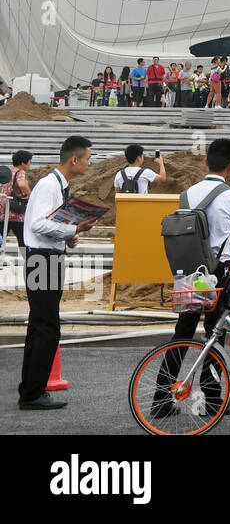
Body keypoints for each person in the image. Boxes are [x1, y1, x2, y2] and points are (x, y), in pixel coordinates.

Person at [151, 139, 230, 417]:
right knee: (215, 335)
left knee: (182, 333)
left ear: (206, 162)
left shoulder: (187, 194)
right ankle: (212, 401)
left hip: (191, 272)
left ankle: (160, 398)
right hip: (218, 273)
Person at [18, 136, 98, 410]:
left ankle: (30, 388)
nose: (89, 162)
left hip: (47, 257)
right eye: (87, 158)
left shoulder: (57, 185)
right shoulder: (49, 185)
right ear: (74, 159)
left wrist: (67, 237)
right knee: (47, 327)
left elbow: (48, 225)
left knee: (41, 324)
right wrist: (74, 230)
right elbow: (39, 225)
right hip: (42, 260)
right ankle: (32, 394)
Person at [4, 150, 32, 252]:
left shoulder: (8, 173)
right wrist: (30, 195)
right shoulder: (20, 172)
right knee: (23, 242)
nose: (30, 164)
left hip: (4, 213)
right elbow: (21, 184)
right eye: (29, 162)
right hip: (17, 214)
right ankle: (30, 264)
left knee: (1, 240)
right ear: (23, 163)